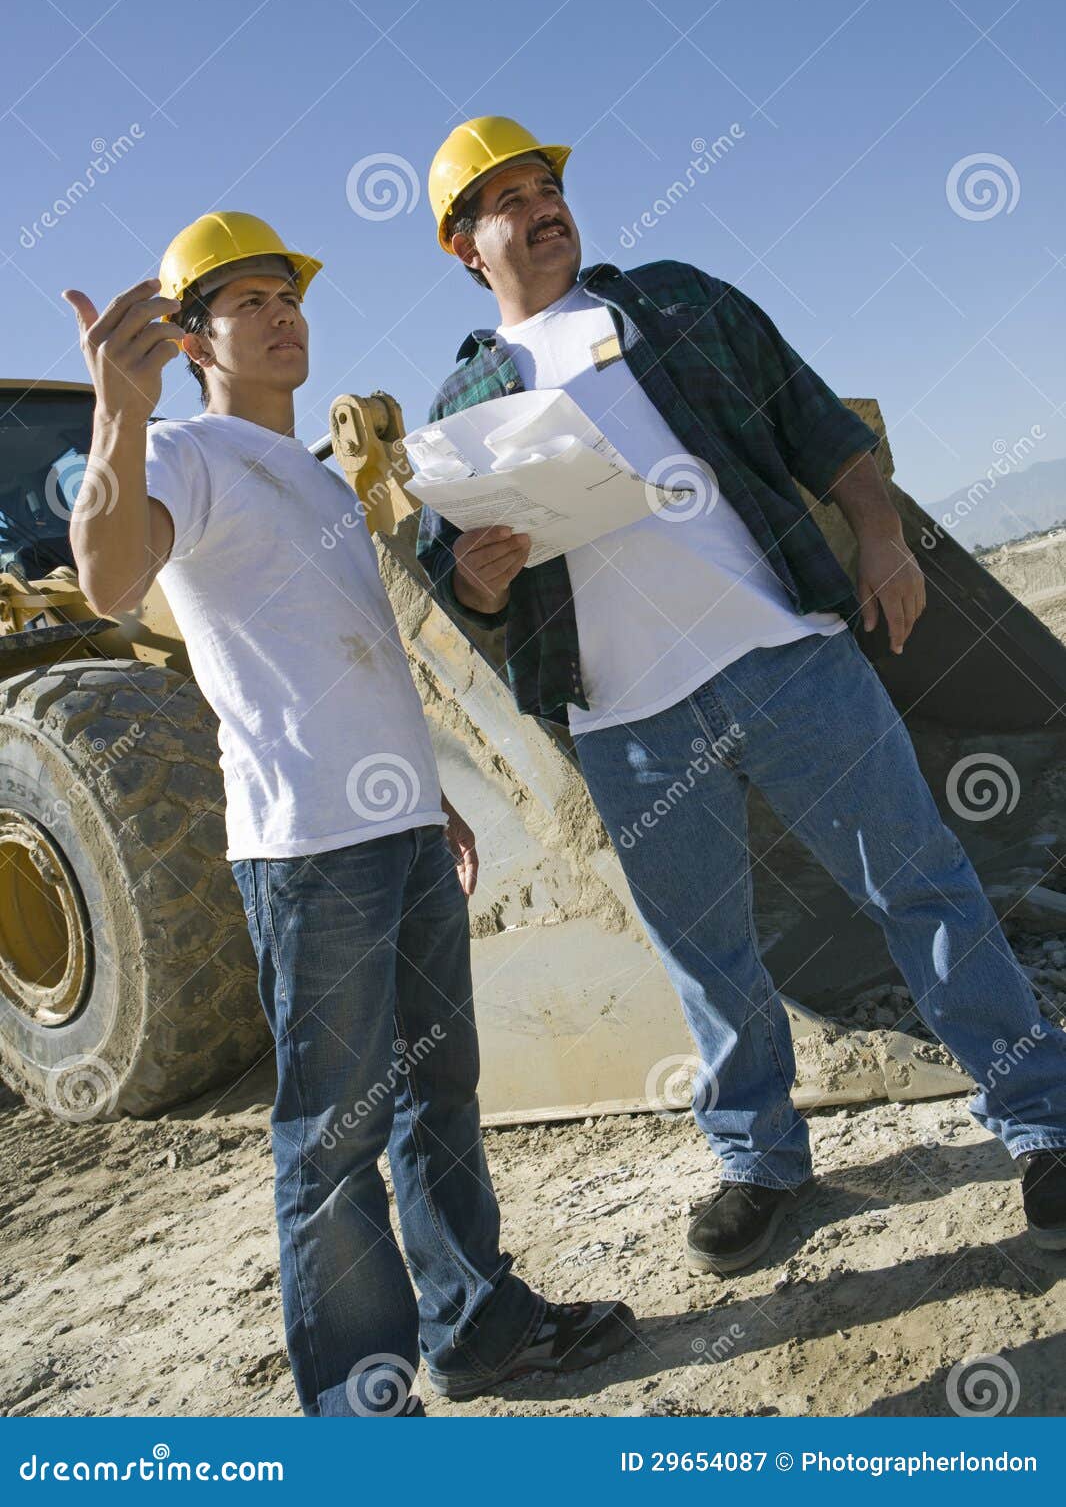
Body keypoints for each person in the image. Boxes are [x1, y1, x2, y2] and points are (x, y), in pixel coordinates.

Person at [416, 116, 1066, 1277]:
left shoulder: (675, 303)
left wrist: (880, 540)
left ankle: (1044, 1120)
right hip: (627, 720)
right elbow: (459, 585)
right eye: (508, 198)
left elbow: (817, 425)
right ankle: (760, 1161)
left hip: (786, 661)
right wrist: (472, 577)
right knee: (704, 949)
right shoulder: (462, 401)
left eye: (547, 183)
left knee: (921, 886)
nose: (542, 204)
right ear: (467, 246)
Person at [63, 210, 635, 1416]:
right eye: (250, 302)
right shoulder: (185, 455)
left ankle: (477, 1326)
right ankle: (361, 1414)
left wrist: (427, 794)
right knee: (331, 1143)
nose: (283, 315)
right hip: (307, 854)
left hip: (397, 833)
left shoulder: (312, 479)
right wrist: (116, 408)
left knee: (440, 1093)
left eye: (290, 295)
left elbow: (347, 657)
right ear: (192, 336)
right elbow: (112, 579)